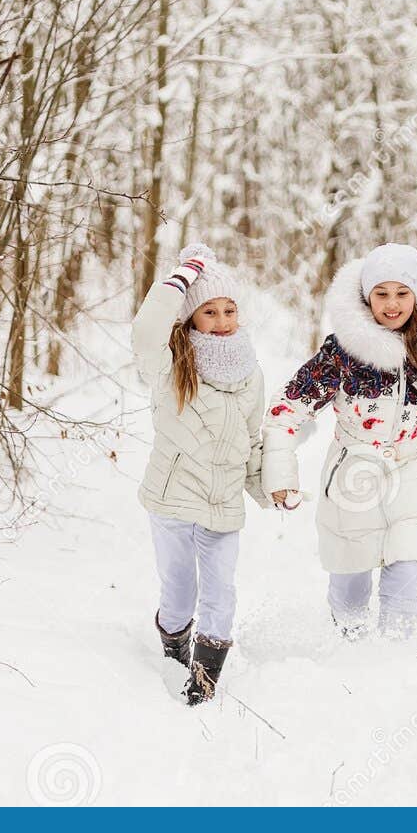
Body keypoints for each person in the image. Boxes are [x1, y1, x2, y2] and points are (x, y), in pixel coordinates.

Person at [262, 242, 417, 638]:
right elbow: (286, 412)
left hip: (414, 476)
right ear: (367, 297)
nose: (392, 304)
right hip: (354, 477)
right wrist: (280, 472)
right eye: (381, 293)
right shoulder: (343, 351)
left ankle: (394, 665)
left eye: (402, 293)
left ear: (416, 295)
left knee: (405, 582)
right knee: (350, 595)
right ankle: (348, 662)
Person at [132, 243, 268, 703]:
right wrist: (181, 278)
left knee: (221, 592)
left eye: (230, 309)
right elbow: (147, 329)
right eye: (209, 311)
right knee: (179, 591)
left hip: (223, 501)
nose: (223, 320)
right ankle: (173, 649)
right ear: (190, 318)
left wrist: (271, 489)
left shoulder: (251, 372)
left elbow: (253, 439)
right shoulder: (170, 366)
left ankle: (204, 682)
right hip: (172, 501)